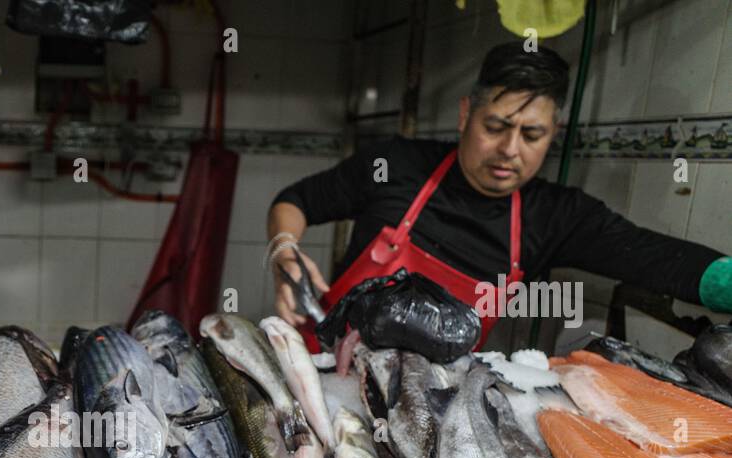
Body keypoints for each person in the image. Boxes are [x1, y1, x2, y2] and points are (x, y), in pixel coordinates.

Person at [267, 41, 732, 353]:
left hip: (424, 410)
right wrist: (283, 250)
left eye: (532, 135)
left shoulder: (555, 216)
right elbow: (296, 200)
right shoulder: (397, 164)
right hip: (321, 368)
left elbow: (659, 259)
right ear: (466, 114)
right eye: (496, 127)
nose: (510, 151)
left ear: (554, 134)